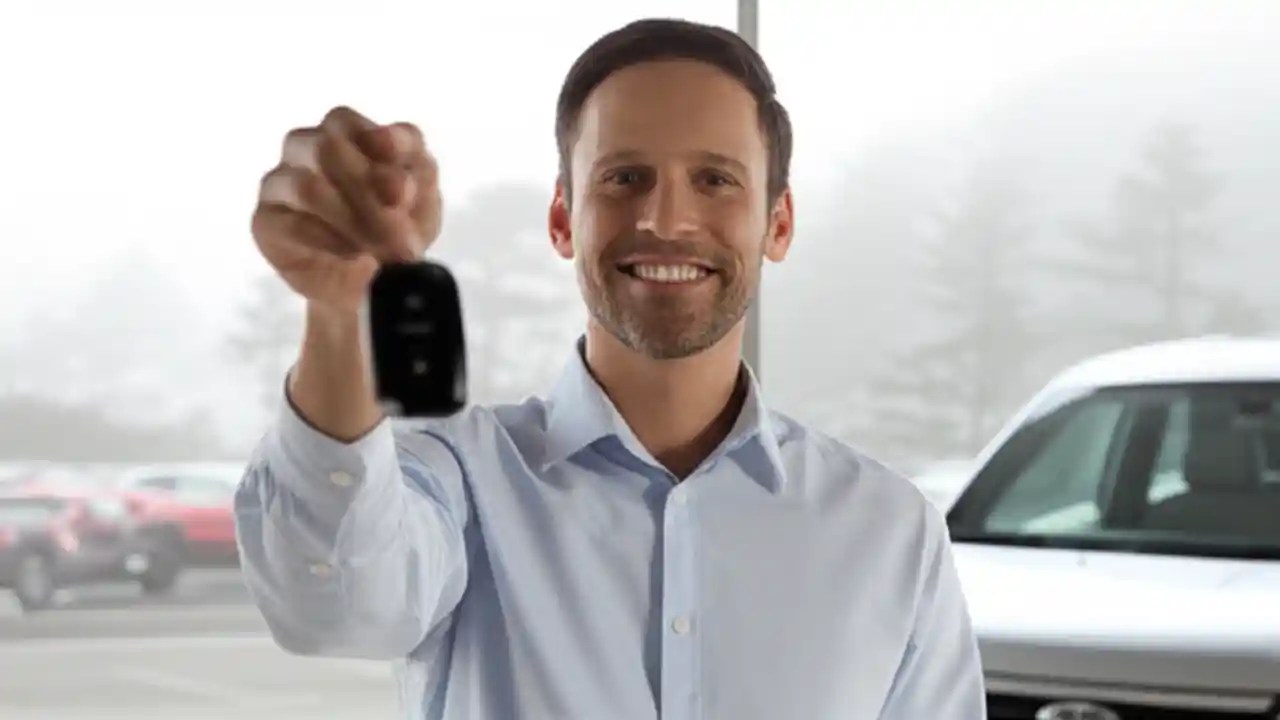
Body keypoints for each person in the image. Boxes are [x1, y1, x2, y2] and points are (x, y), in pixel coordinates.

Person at [236, 17, 986, 720]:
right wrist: (340, 310)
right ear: (564, 219)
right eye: (624, 178)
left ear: (778, 222)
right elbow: (332, 607)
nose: (665, 219)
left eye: (715, 180)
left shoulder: (891, 532)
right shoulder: (458, 482)